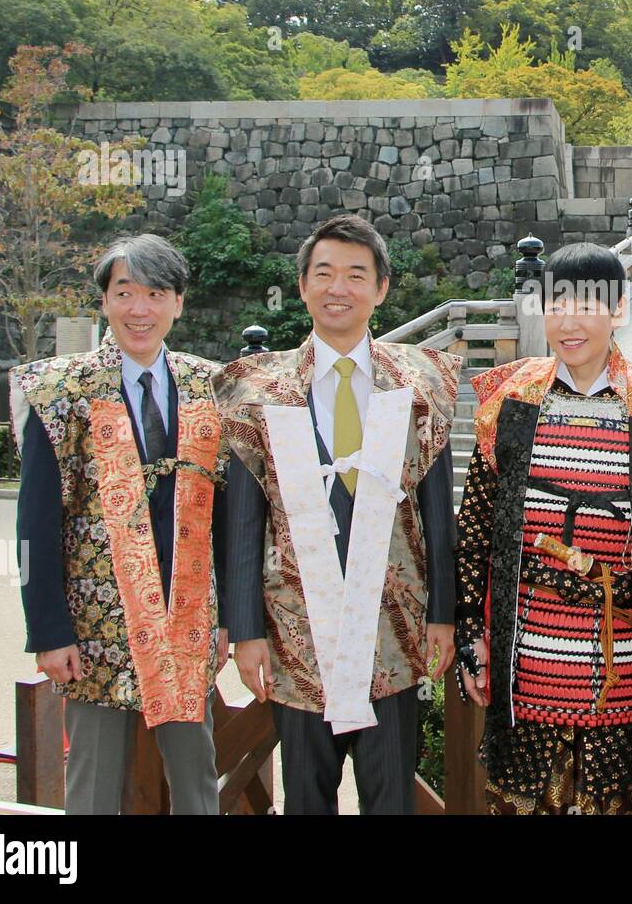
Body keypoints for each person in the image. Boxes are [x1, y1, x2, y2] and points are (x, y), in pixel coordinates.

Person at [215, 214, 460, 814]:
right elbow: (245, 524)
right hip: (297, 629)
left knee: (390, 798)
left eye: (356, 274)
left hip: (393, 627)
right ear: (302, 286)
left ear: (380, 289)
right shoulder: (262, 389)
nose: (338, 288)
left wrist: (444, 613)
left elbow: (438, 514)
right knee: (305, 796)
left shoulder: (421, 382)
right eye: (323, 273)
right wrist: (245, 630)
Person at [455, 242, 632, 814]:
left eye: (587, 305)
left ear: (618, 307)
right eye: (555, 305)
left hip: (621, 655)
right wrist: (472, 629)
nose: (568, 323)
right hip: (526, 657)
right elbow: (475, 526)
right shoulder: (511, 399)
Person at [10, 234, 229, 814]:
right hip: (94, 624)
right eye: (124, 292)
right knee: (93, 782)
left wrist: (229, 615)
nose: (140, 309)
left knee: (196, 775)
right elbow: (34, 522)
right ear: (104, 301)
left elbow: (229, 517)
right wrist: (49, 632)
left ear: (178, 303)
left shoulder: (212, 386)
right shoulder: (59, 390)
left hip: (187, 618)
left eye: (155, 294)